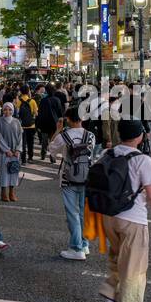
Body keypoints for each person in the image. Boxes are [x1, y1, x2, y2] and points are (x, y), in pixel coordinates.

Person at [93, 120, 151, 302]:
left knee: (117, 256)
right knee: (134, 270)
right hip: (133, 219)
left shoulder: (108, 153)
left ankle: (110, 292)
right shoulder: (142, 160)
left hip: (110, 216)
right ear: (139, 137)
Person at [49, 106, 96, 260]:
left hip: (68, 179)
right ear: (82, 119)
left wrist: (58, 129)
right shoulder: (91, 136)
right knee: (83, 213)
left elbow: (52, 150)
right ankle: (84, 244)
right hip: (87, 178)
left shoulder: (63, 136)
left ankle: (76, 248)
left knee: (72, 213)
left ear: (68, 119)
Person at [0, 102, 24, 202]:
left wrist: (18, 150)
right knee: (4, 172)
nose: (8, 111)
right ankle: (3, 192)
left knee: (14, 171)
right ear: (3, 110)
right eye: (5, 109)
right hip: (4, 152)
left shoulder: (17, 122)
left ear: (13, 110)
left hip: (15, 152)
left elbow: (20, 137)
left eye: (10, 109)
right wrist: (6, 150)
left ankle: (12, 192)